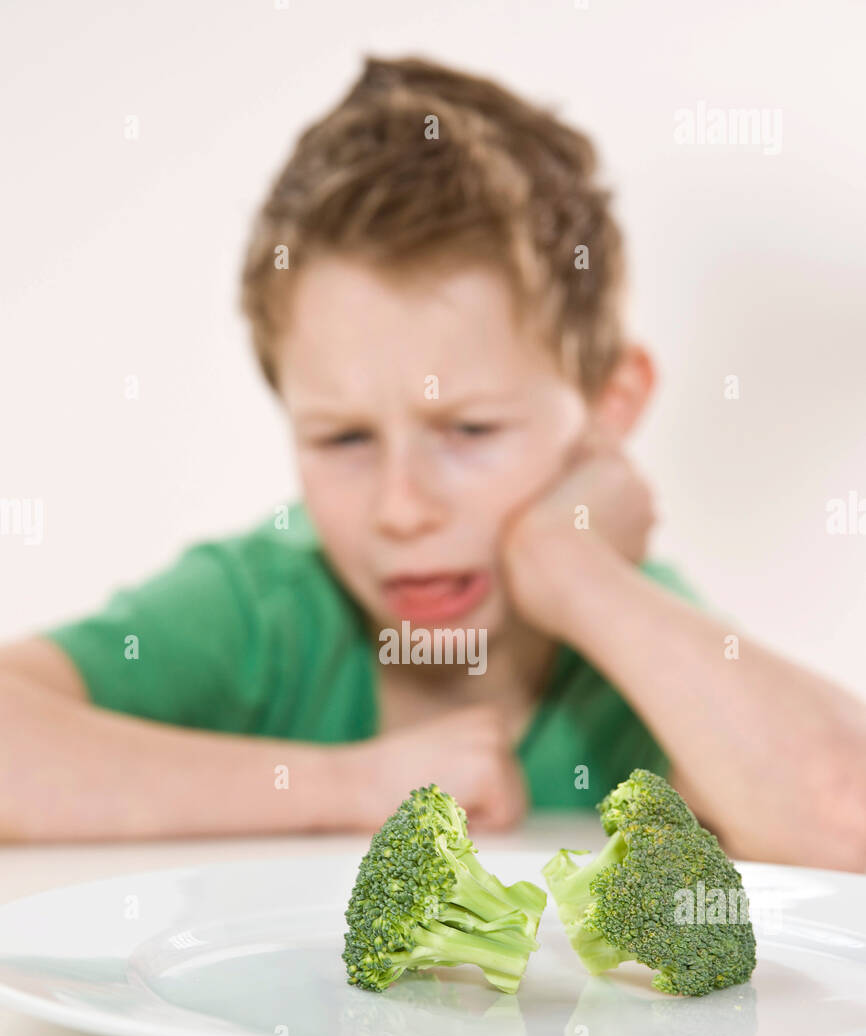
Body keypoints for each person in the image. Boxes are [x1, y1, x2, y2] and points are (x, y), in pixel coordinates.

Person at [2, 56, 864, 867]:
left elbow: (844, 817)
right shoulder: (266, 613)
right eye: (343, 439)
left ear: (609, 406)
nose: (401, 508)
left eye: (471, 431)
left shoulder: (633, 638)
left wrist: (569, 567)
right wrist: (352, 786)